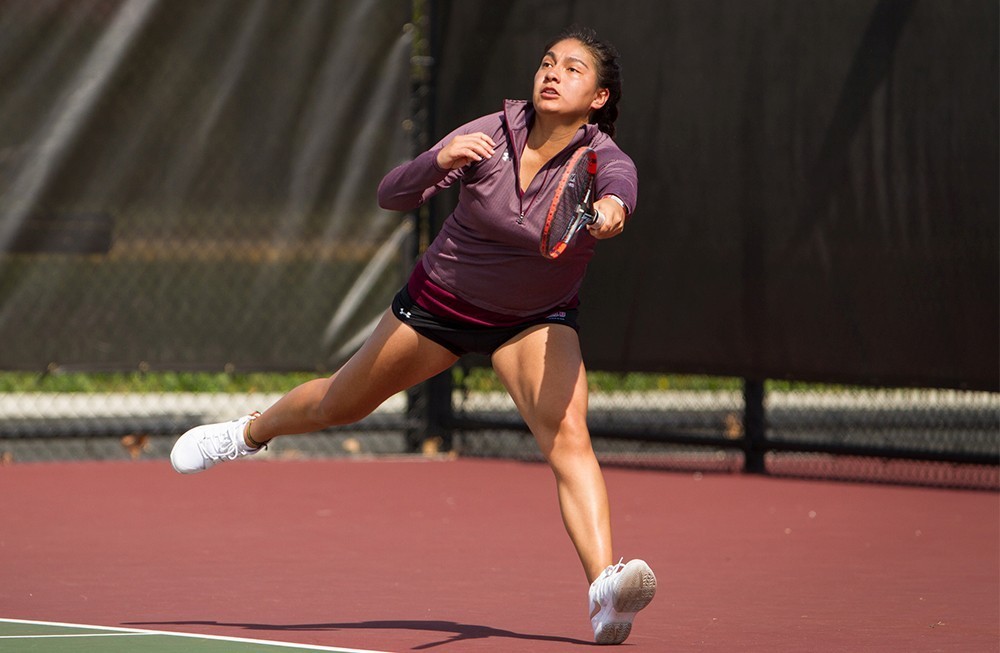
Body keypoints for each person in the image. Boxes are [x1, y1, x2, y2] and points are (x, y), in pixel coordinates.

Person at [170, 25, 656, 645]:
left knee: (568, 439)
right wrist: (438, 160)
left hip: (534, 320)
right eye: (546, 62)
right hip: (440, 304)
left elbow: (619, 192)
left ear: (598, 98)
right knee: (337, 405)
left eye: (572, 69)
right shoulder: (490, 133)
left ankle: (603, 589)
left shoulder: (601, 160)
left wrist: (611, 212)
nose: (552, 73)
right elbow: (391, 194)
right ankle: (246, 433)